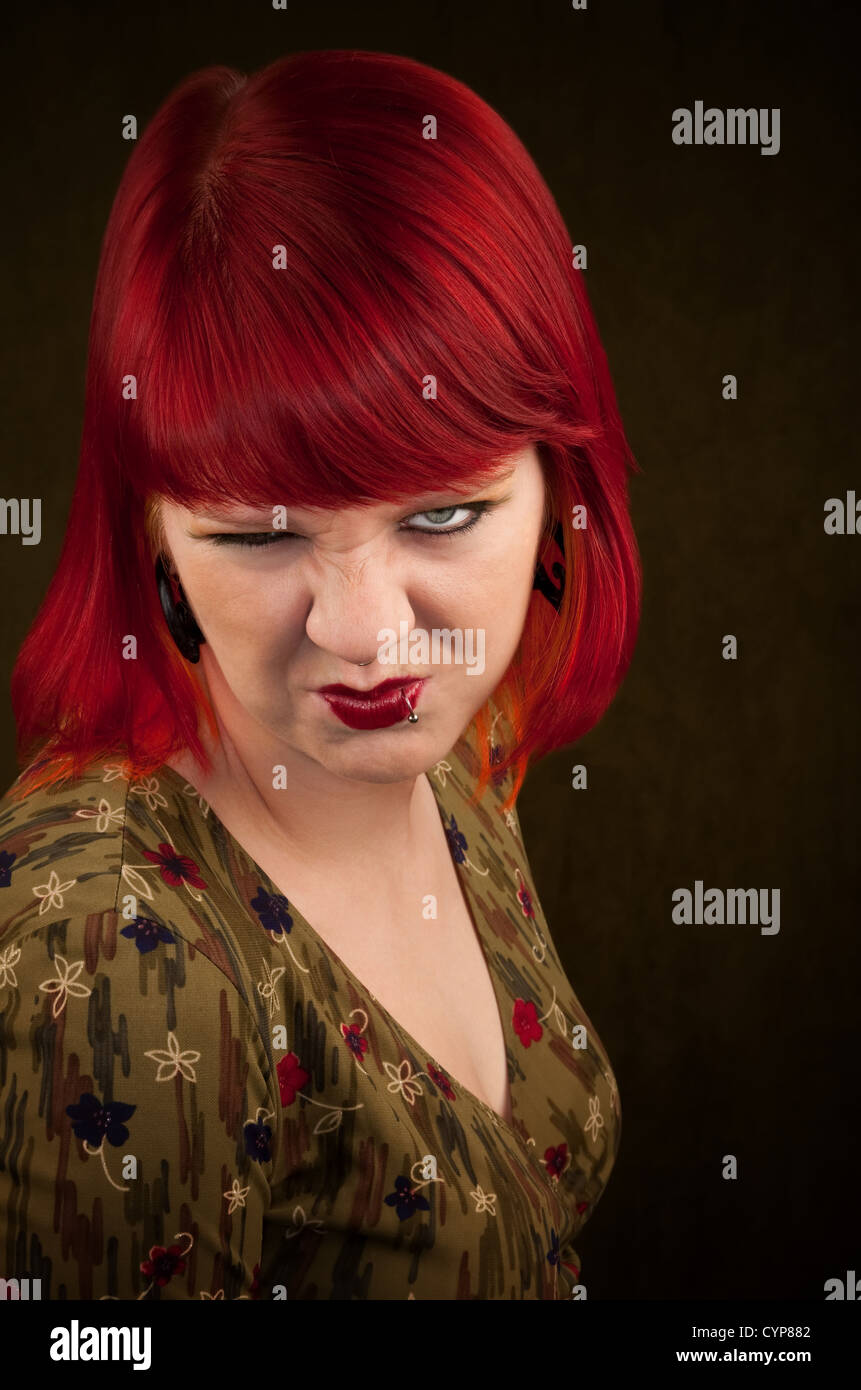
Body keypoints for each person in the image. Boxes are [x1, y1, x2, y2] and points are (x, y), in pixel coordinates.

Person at [0, 48, 641, 1300]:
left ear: (561, 489)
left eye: (445, 518)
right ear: (150, 534)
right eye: (260, 534)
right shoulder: (109, 961)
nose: (364, 634)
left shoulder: (461, 748)